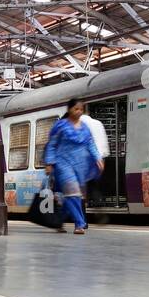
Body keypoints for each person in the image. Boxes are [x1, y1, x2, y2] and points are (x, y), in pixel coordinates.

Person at [42, 98, 100, 234]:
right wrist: (49, 163)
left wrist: (98, 158)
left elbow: (90, 144)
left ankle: (59, 221)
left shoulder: (85, 128)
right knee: (72, 192)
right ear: (69, 109)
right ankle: (79, 223)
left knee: (71, 196)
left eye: (81, 109)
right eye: (76, 109)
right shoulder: (61, 126)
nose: (79, 112)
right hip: (63, 164)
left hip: (81, 166)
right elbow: (52, 145)